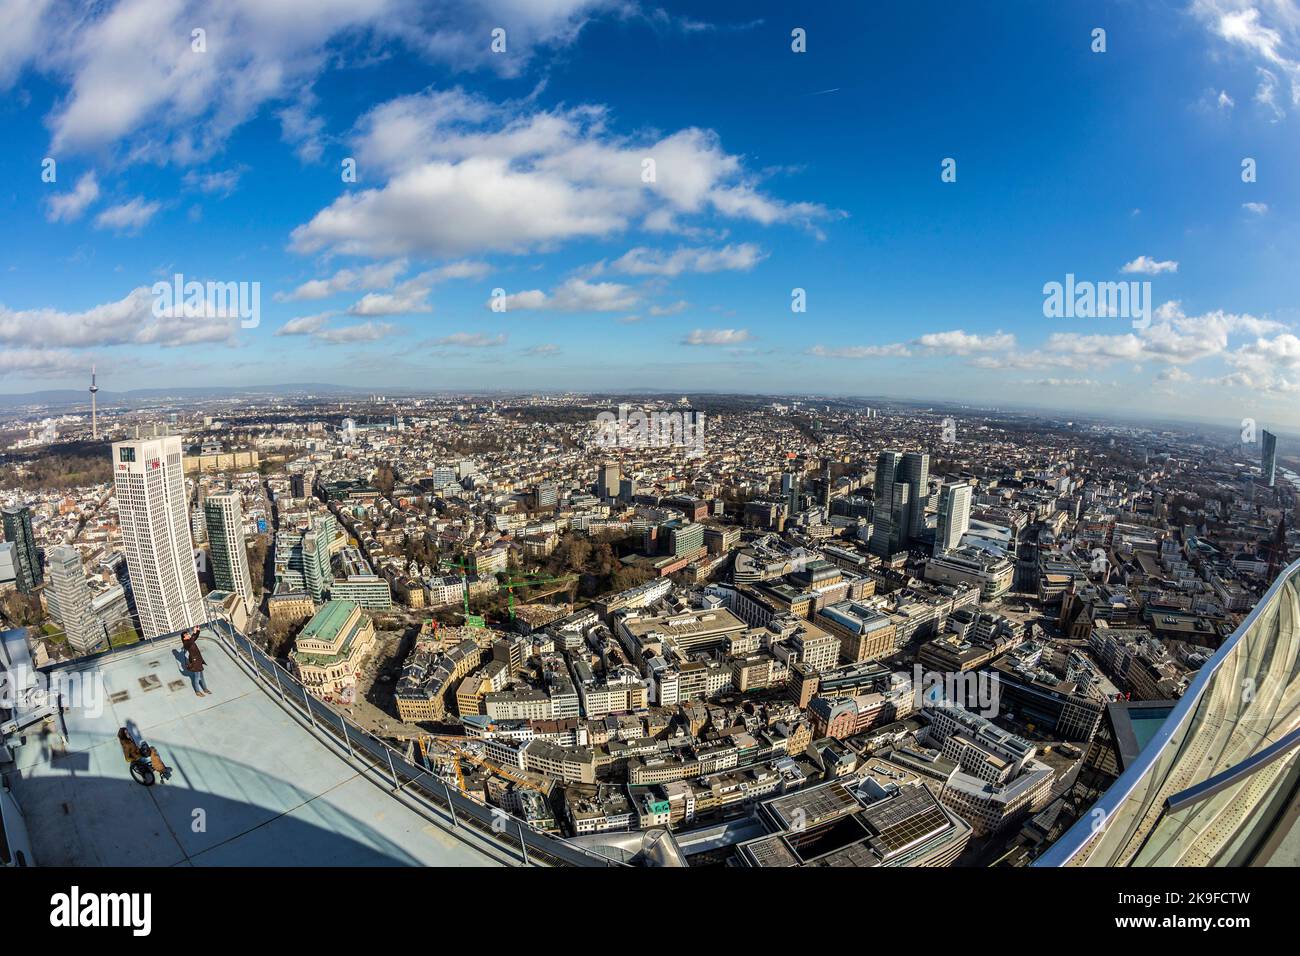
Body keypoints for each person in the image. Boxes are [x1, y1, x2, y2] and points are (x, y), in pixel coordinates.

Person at [183, 629, 210, 697]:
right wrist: (193, 633)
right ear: (184, 638)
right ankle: (197, 691)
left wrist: (197, 631)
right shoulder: (186, 644)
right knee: (197, 677)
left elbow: (195, 637)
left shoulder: (190, 640)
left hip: (198, 660)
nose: (188, 635)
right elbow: (192, 640)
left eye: (187, 633)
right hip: (194, 662)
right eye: (186, 635)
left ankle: (205, 688)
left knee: (202, 676)